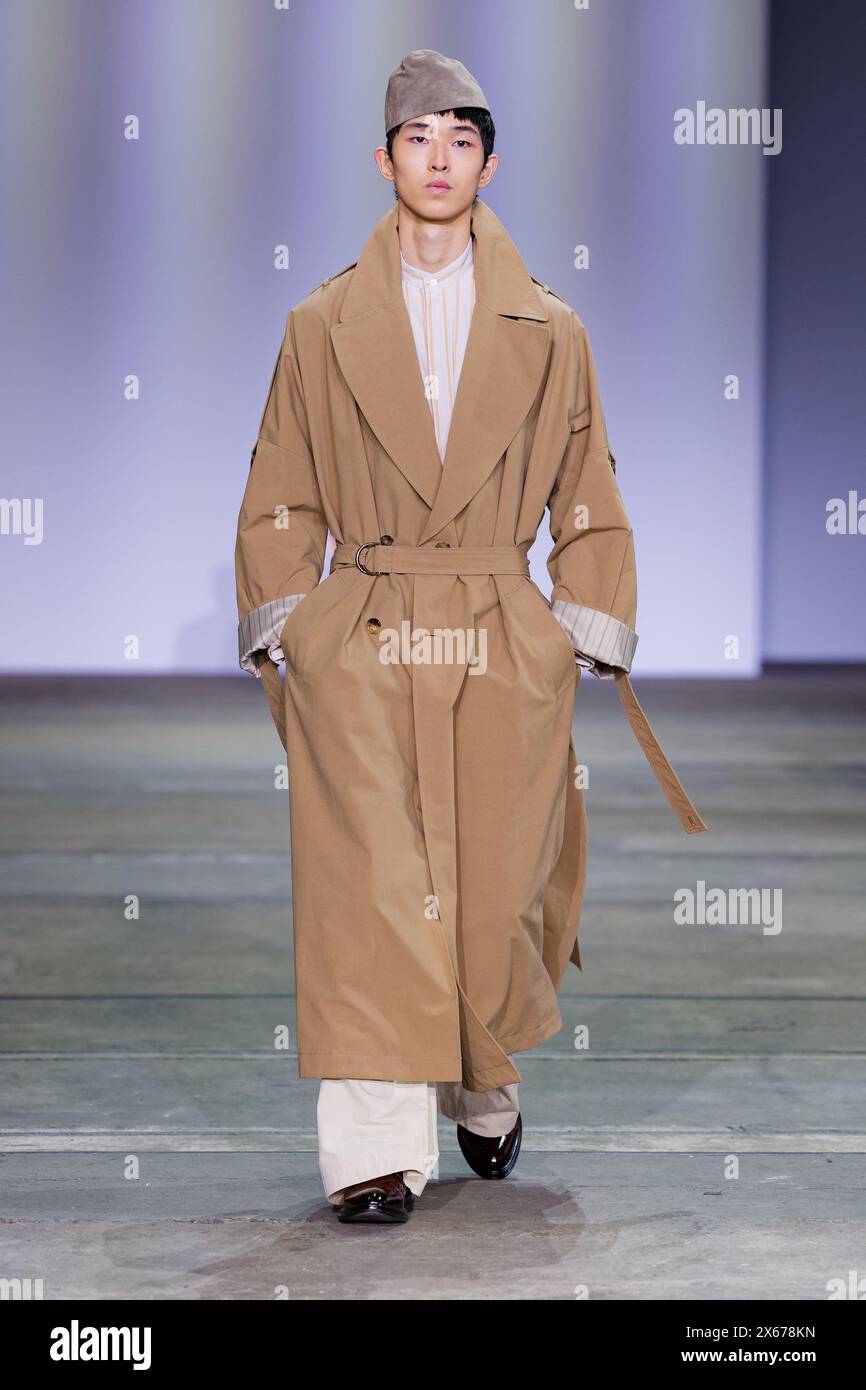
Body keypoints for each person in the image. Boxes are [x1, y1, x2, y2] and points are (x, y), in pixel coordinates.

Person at [235, 49, 706, 1225]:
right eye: (416, 138)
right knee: (372, 889)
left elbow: (586, 484)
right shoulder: (317, 324)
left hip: (499, 627)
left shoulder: (551, 329)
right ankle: (374, 1154)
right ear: (382, 157)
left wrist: (579, 621)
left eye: (459, 140)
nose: (437, 159)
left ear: (489, 163)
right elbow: (282, 482)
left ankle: (481, 1074)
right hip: (371, 619)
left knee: (491, 889)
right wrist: (294, 614)